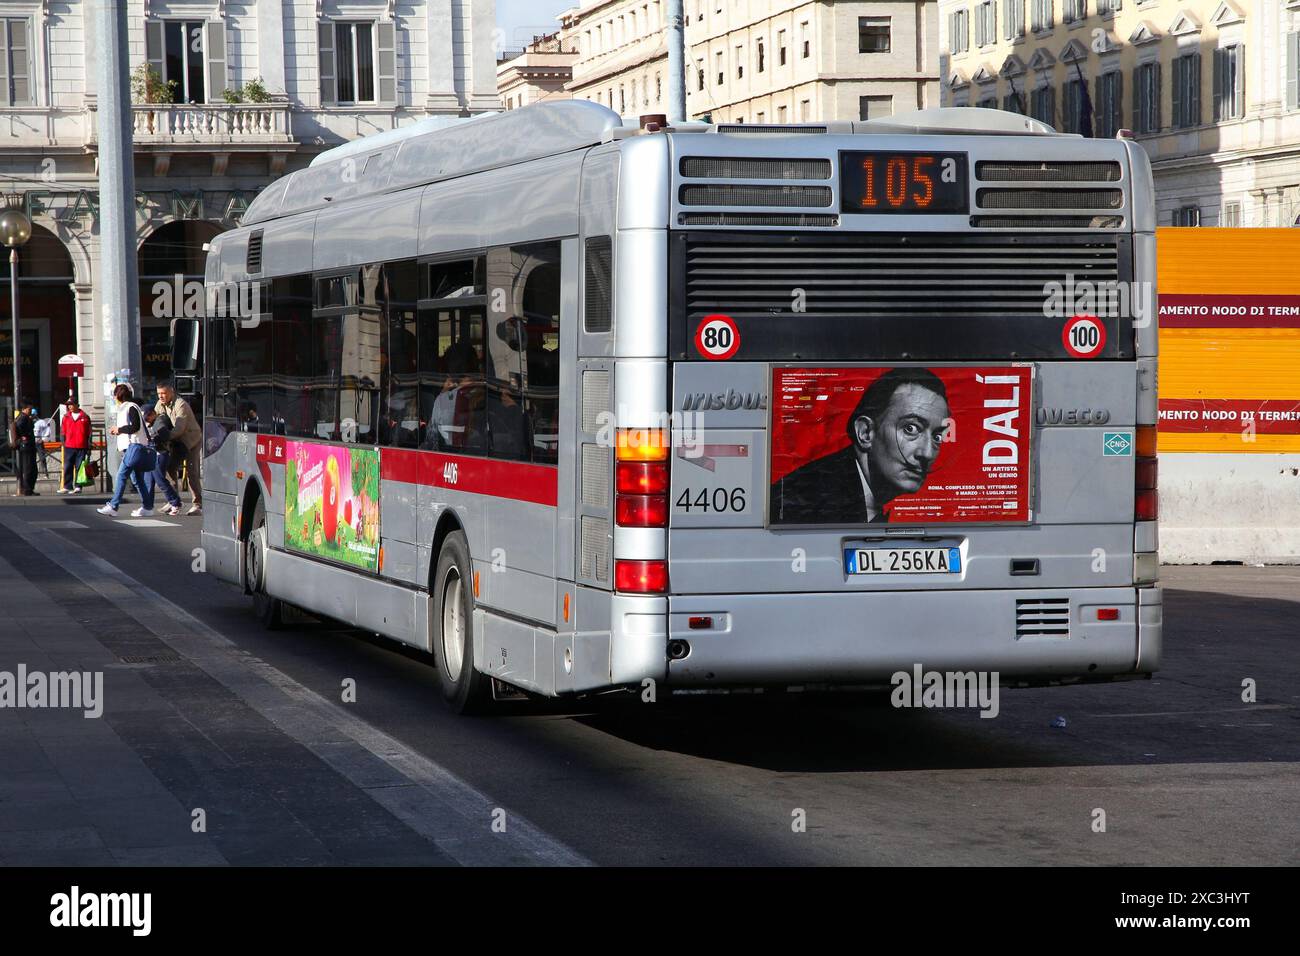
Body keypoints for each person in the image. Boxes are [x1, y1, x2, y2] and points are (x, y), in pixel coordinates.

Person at [772, 368, 951, 525]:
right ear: (865, 433)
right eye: (911, 428)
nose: (927, 453)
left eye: (936, 436)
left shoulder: (851, 494)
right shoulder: (810, 502)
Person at [97, 383, 156, 517]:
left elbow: (134, 427)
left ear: (118, 396)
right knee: (137, 479)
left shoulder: (130, 407)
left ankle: (113, 505)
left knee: (121, 475)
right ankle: (147, 507)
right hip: (134, 447)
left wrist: (119, 429)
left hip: (133, 447)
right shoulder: (129, 407)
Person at [153, 381, 203, 516]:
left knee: (192, 472)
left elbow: (180, 429)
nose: (161, 396)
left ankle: (197, 504)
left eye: (163, 393)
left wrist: (165, 437)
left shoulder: (181, 404)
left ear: (171, 392)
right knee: (170, 468)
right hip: (175, 440)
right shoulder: (160, 404)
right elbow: (156, 420)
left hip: (190, 440)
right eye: (159, 394)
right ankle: (173, 500)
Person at [145, 404, 183, 516]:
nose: (146, 420)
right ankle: (147, 506)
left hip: (160, 453)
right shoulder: (153, 422)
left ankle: (175, 503)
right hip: (153, 454)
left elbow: (165, 435)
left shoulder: (159, 422)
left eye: (147, 417)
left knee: (160, 480)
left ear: (153, 414)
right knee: (148, 481)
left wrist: (153, 438)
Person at [57, 398, 92, 495]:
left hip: (82, 446)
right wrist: (63, 442)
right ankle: (67, 486)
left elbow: (89, 433)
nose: (69, 406)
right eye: (68, 405)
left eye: (71, 404)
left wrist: (89, 445)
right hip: (69, 446)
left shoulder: (85, 417)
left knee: (79, 467)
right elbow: (62, 431)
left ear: (77, 405)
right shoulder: (66, 417)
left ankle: (78, 486)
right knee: (67, 466)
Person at [10, 401, 38, 496]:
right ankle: (27, 489)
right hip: (26, 446)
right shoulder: (23, 417)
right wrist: (23, 436)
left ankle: (28, 489)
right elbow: (19, 426)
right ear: (24, 409)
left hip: (26, 445)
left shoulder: (24, 417)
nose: (30, 411)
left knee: (30, 468)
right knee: (29, 468)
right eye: (29, 409)